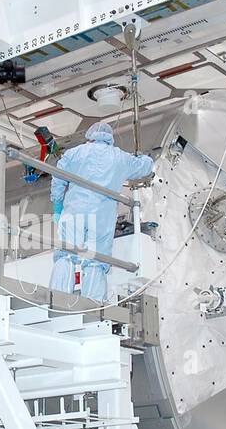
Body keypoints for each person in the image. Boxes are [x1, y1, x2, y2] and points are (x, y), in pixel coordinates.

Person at [48, 122, 154, 301]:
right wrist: (144, 158)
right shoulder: (119, 157)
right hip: (102, 215)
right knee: (96, 259)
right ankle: (94, 304)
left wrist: (57, 205)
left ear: (90, 136)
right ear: (110, 138)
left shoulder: (75, 153)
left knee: (66, 254)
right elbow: (144, 167)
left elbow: (58, 177)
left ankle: (57, 299)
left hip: (75, 211)